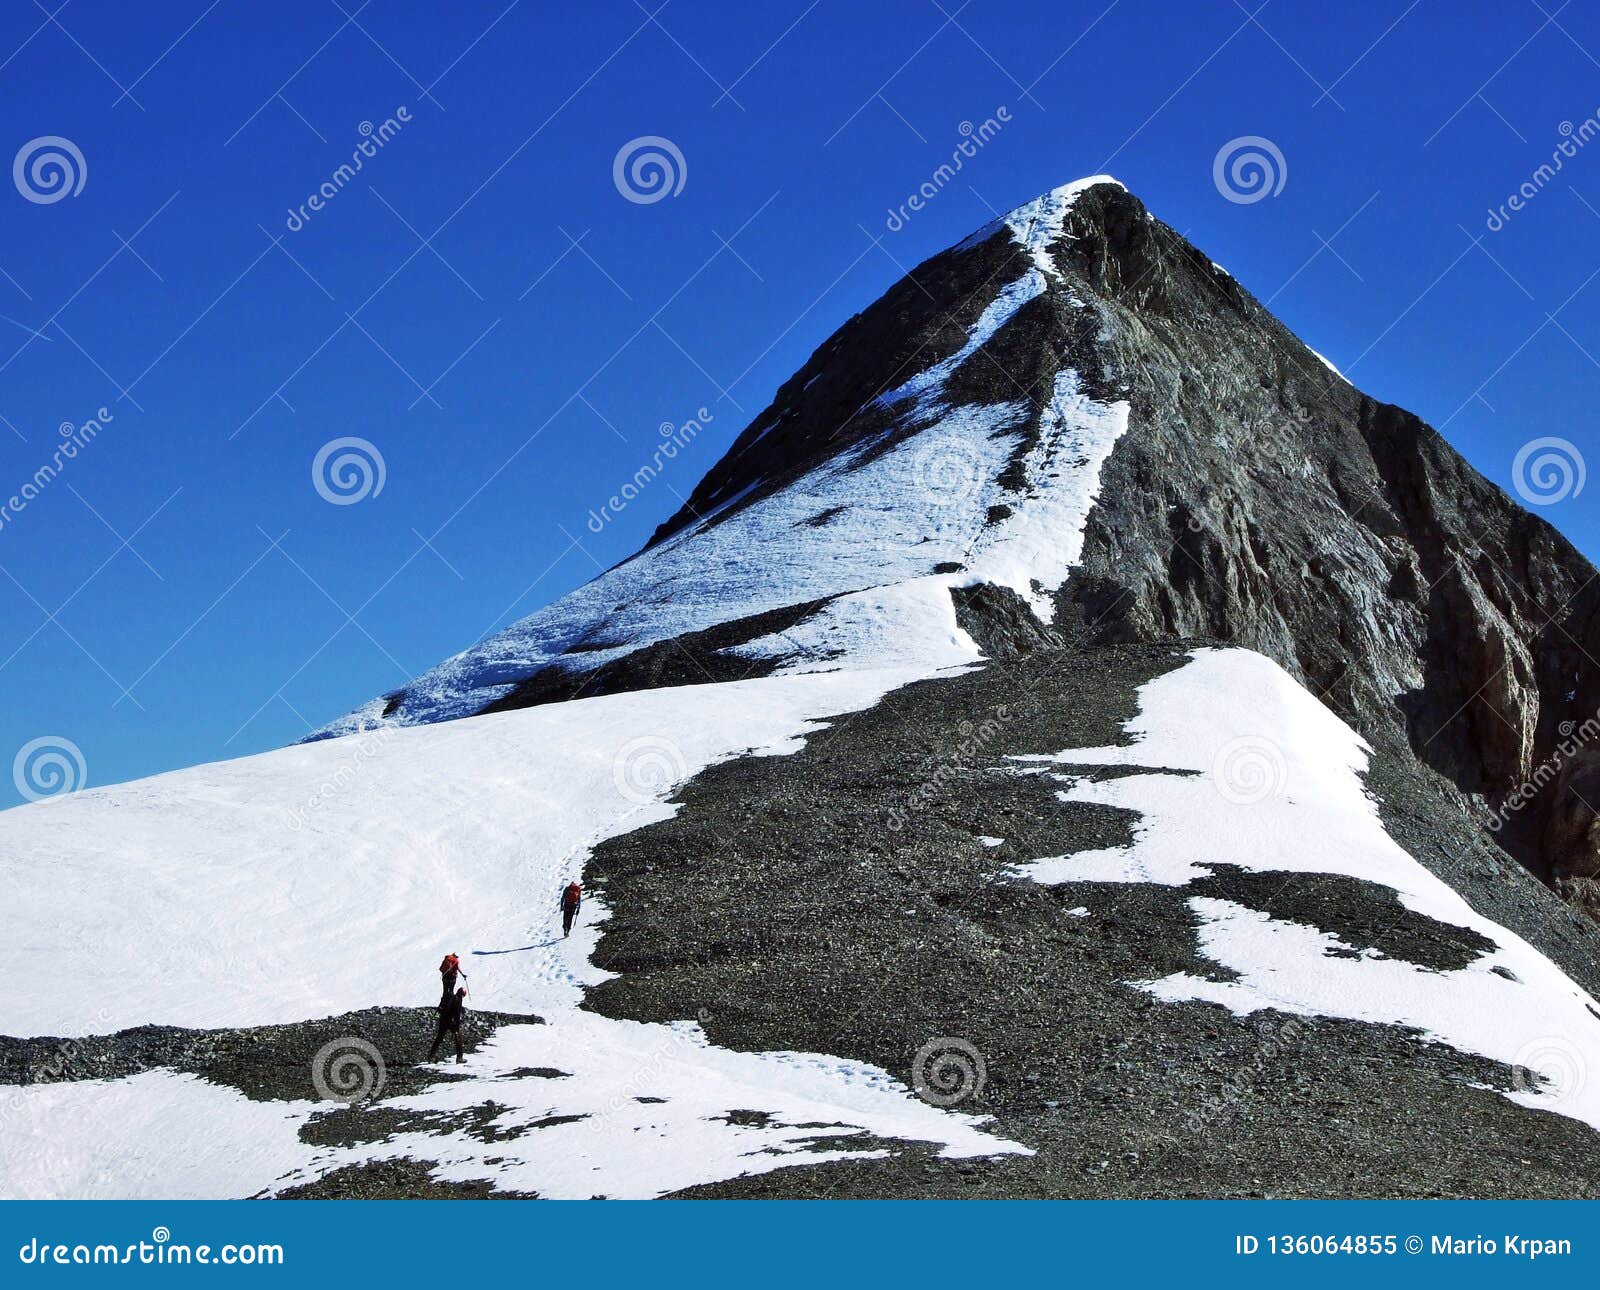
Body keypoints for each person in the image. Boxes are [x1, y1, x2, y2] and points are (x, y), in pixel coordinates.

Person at [429, 986, 467, 1064]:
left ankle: (431, 1057)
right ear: (462, 994)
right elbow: (456, 1015)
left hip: (443, 1019)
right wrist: (457, 1026)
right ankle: (459, 1058)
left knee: (439, 1038)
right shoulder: (458, 1000)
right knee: (458, 1038)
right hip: (450, 1022)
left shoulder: (451, 997)